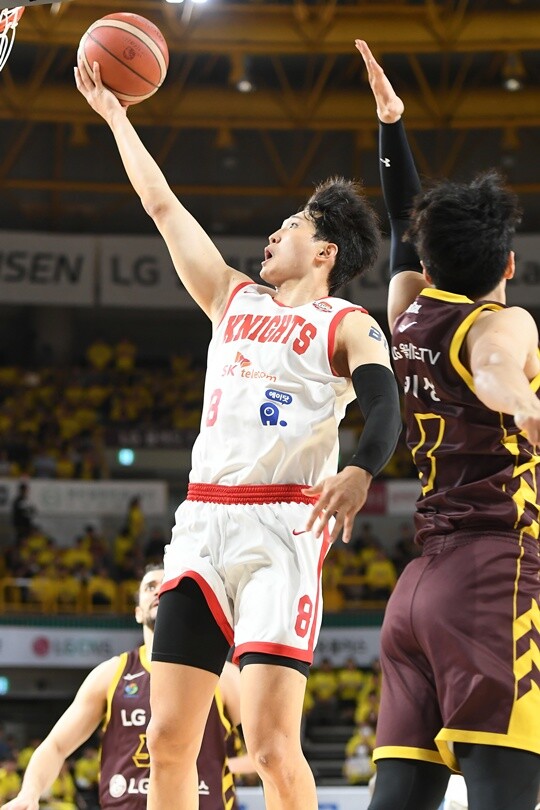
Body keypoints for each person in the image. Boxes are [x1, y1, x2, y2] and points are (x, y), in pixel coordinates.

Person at [74, 50, 402, 810]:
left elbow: (384, 405)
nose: (272, 234)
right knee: (169, 740)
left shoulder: (347, 323)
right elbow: (163, 209)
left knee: (268, 745)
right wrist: (118, 118)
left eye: (290, 226)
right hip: (203, 521)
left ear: (324, 253)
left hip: (283, 528)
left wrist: (361, 468)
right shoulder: (230, 296)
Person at [356, 39, 540, 810]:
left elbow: (405, 220)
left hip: (419, 589)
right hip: (494, 577)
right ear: (508, 267)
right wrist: (524, 405)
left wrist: (391, 126)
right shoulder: (501, 327)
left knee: (401, 795)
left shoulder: (404, 313)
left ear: (428, 267)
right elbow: (499, 373)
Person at [1, 565, 250, 810]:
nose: (158, 591)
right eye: (149, 587)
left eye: (167, 584)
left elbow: (275, 744)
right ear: (138, 613)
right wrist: (29, 793)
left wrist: (228, 765)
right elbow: (55, 746)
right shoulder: (111, 674)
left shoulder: (223, 677)